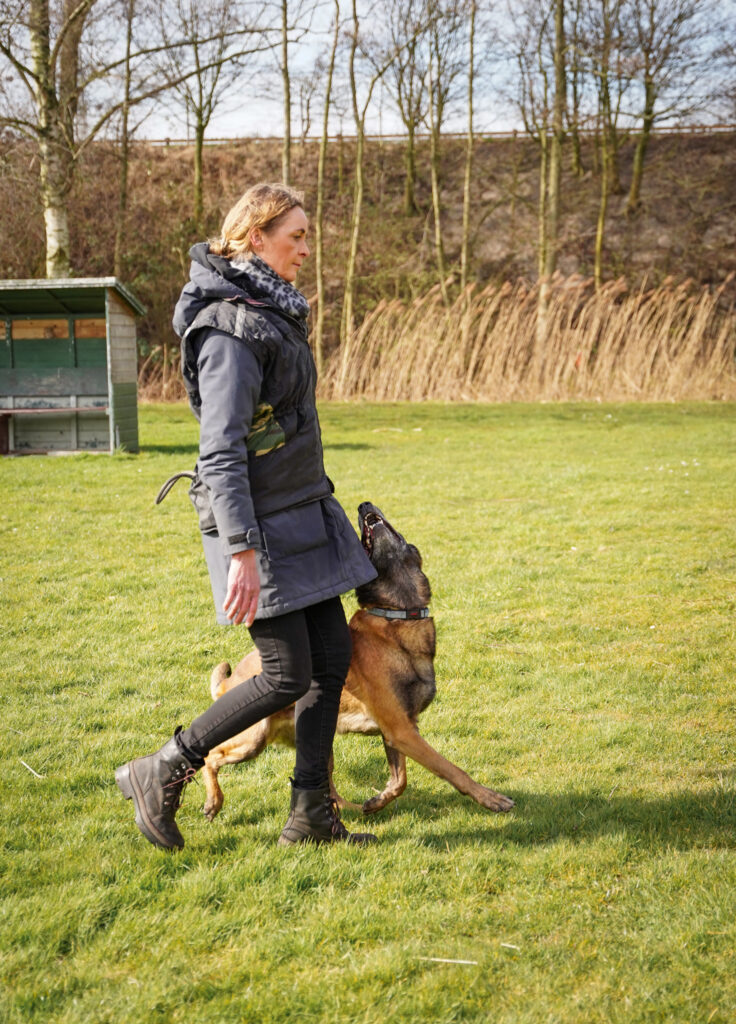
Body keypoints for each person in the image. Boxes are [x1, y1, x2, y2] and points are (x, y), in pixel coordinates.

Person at [115, 182, 378, 850]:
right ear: (254, 236)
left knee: (331, 655)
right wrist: (241, 549)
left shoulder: (270, 311)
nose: (307, 250)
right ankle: (163, 767)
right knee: (287, 672)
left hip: (300, 512)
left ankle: (311, 816)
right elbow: (221, 449)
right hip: (257, 527)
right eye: (296, 236)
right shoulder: (229, 325)